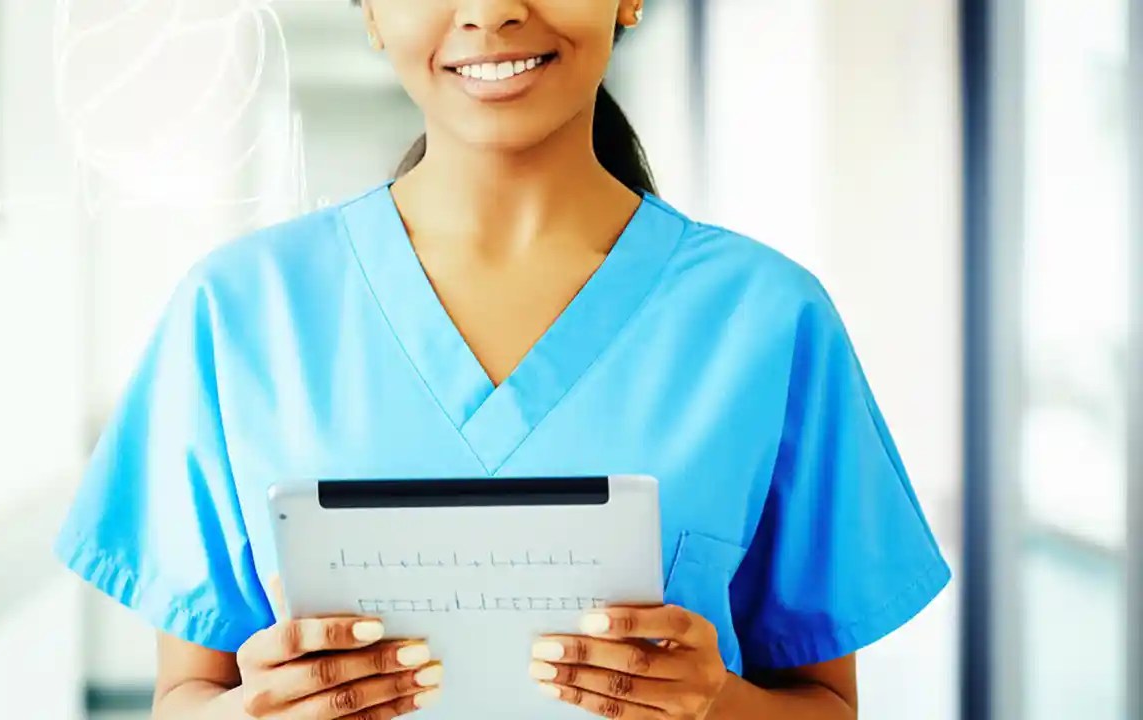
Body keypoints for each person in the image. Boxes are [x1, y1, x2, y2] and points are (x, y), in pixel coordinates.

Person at [54, 1, 952, 718]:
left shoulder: (767, 318)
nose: (489, 12)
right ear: (370, 11)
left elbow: (826, 706)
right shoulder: (238, 312)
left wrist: (715, 705)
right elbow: (185, 697)